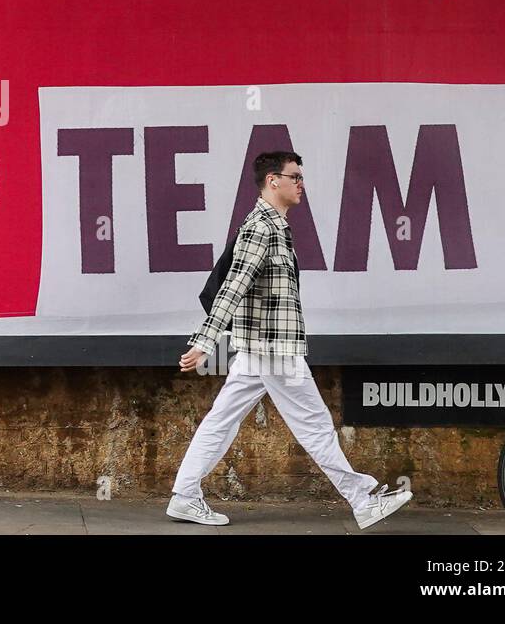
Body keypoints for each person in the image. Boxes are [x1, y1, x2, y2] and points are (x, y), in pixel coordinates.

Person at [166, 151, 411, 531]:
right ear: (272, 181)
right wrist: (205, 340)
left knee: (221, 420)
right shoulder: (260, 227)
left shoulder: (277, 227)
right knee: (314, 425)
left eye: (300, 176)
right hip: (272, 350)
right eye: (294, 176)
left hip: (262, 348)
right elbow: (234, 285)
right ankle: (362, 501)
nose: (301, 184)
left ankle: (184, 496)